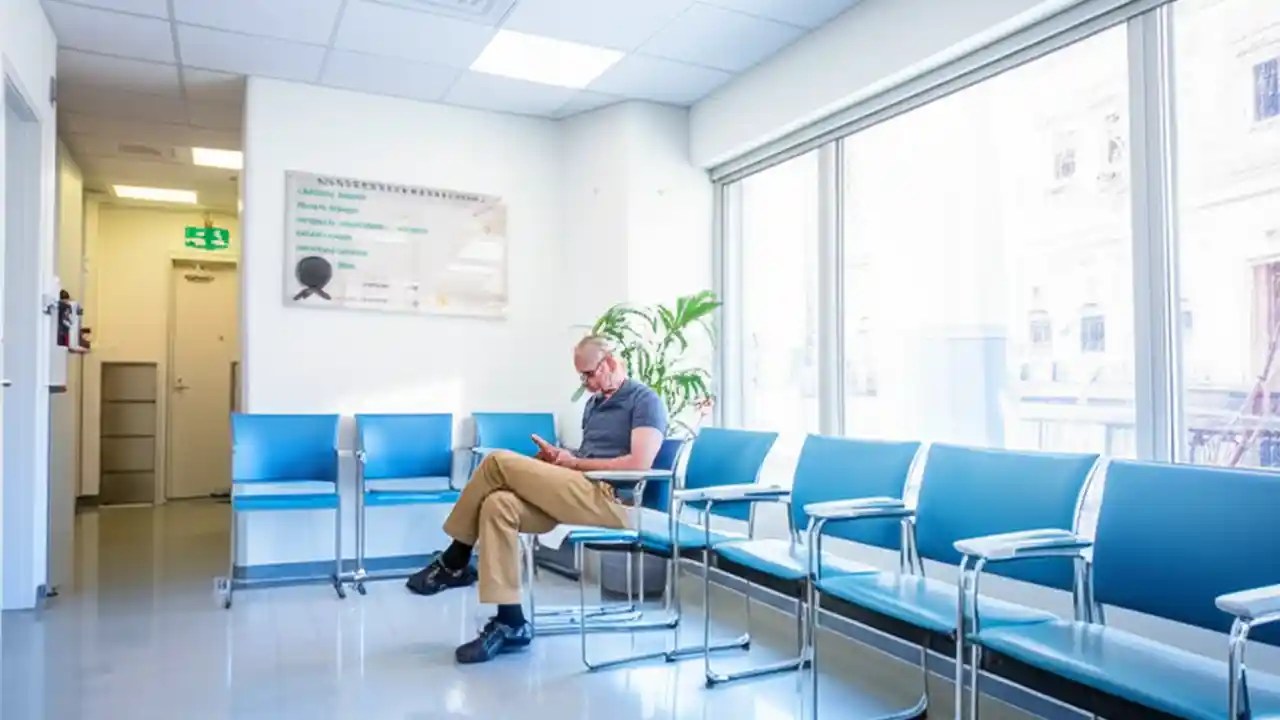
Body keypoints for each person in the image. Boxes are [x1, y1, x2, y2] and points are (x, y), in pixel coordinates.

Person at [406, 335, 668, 664]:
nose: (586, 384)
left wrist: (574, 464)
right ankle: (510, 622)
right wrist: (559, 459)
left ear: (610, 363)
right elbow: (588, 457)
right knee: (498, 504)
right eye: (581, 377)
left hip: (613, 501)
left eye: (589, 374)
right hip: (580, 491)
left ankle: (455, 559)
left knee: (496, 461)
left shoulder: (645, 400)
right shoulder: (595, 404)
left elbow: (639, 464)